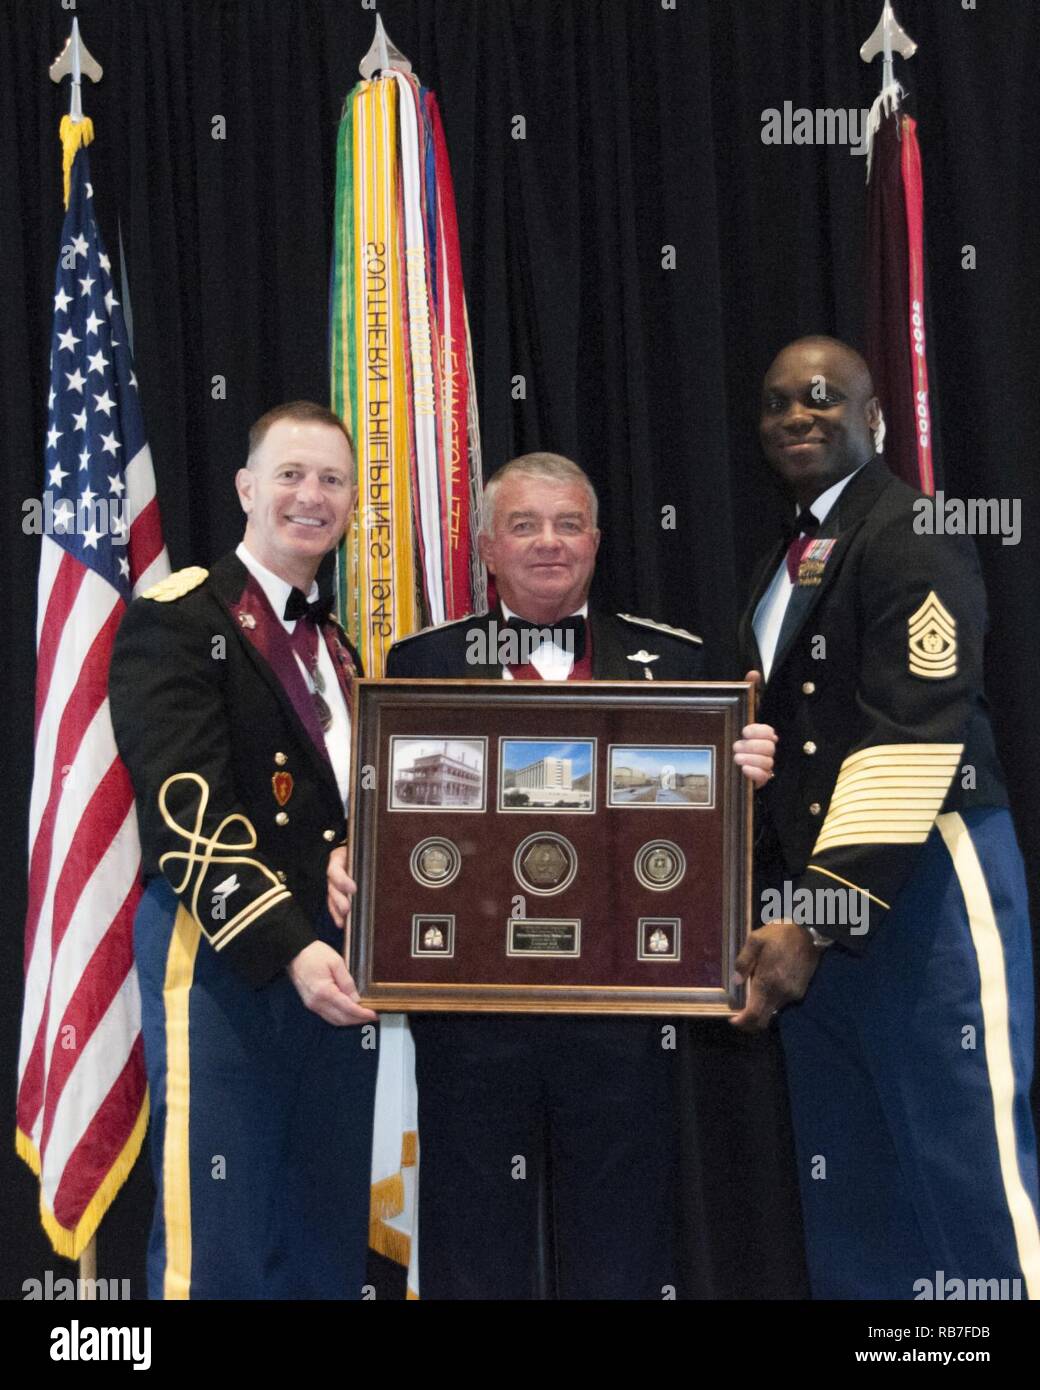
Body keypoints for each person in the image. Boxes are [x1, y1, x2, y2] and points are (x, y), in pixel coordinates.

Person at [330, 451, 778, 1299]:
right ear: (486, 547)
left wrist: (743, 768)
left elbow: (702, 847)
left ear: (597, 542)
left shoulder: (681, 666)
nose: (549, 543)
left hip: (624, 1012)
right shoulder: (419, 664)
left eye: (569, 525)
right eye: (525, 525)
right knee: (471, 1239)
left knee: (621, 1243)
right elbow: (388, 819)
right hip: (470, 1012)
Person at [733, 336, 1040, 1298]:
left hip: (922, 889)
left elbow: (913, 730)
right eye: (780, 404)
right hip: (823, 908)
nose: (798, 417)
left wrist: (815, 918)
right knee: (854, 1189)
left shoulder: (913, 526)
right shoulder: (798, 551)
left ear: (875, 416)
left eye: (823, 400)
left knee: (966, 1173)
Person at [109, 401, 377, 1300]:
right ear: (246, 488)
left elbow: (337, 815)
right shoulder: (181, 618)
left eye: (332, 480)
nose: (312, 495)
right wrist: (291, 948)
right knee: (218, 1243)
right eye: (292, 475)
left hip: (336, 970)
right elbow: (187, 816)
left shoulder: (339, 650)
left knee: (323, 1234)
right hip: (228, 962)